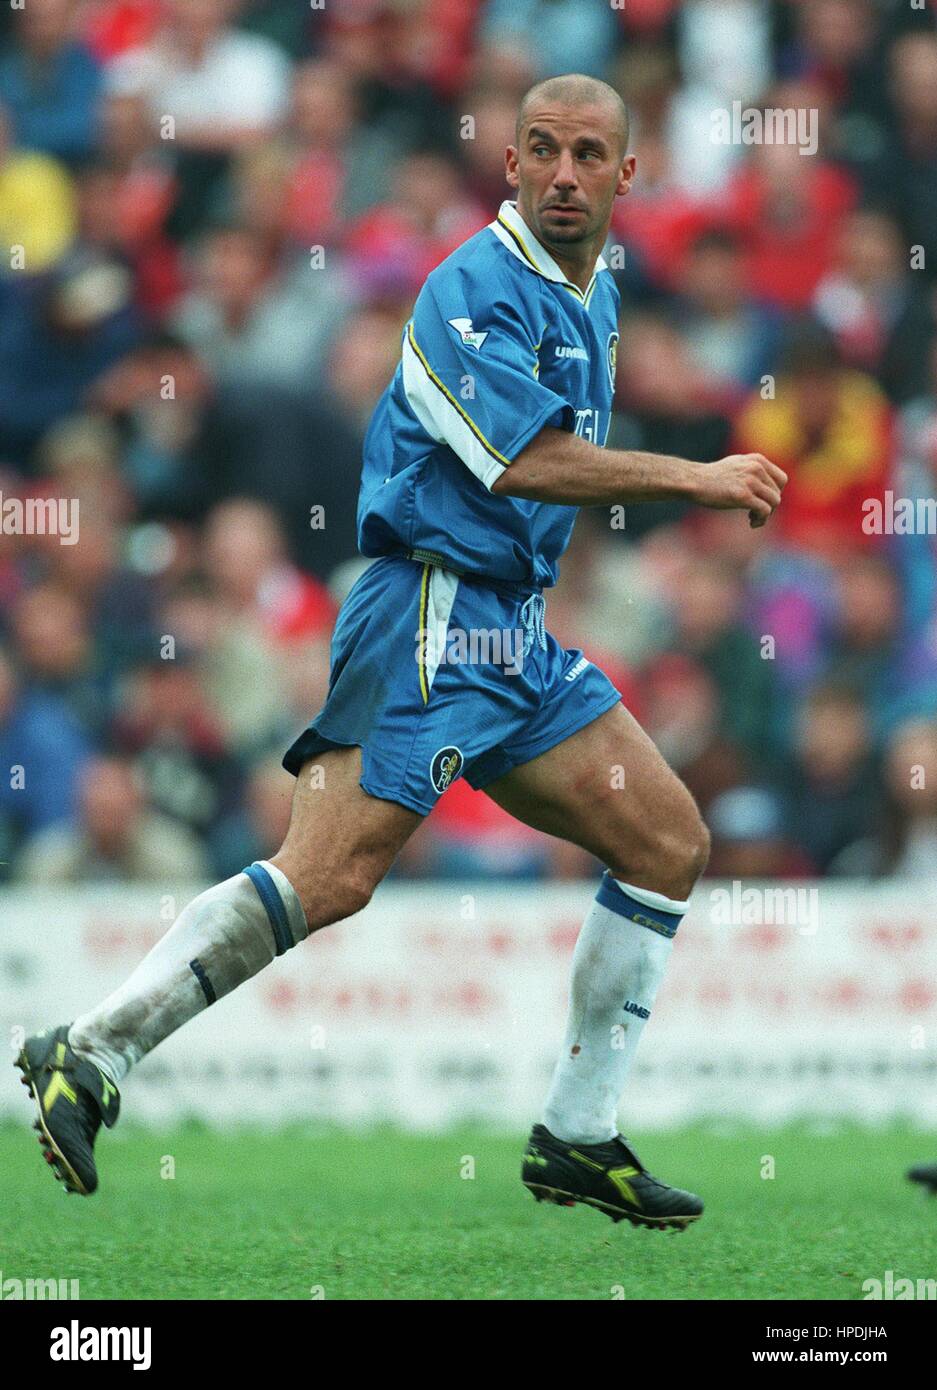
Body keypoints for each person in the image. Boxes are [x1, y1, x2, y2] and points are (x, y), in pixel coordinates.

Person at [17, 73, 786, 1228]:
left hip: (509, 633)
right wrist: (698, 477)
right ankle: (93, 1049)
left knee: (667, 838)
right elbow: (516, 459)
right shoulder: (467, 287)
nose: (563, 173)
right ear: (512, 164)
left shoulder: (599, 298)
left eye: (587, 154)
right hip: (426, 611)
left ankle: (577, 1133)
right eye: (541, 150)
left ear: (628, 175)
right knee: (329, 875)